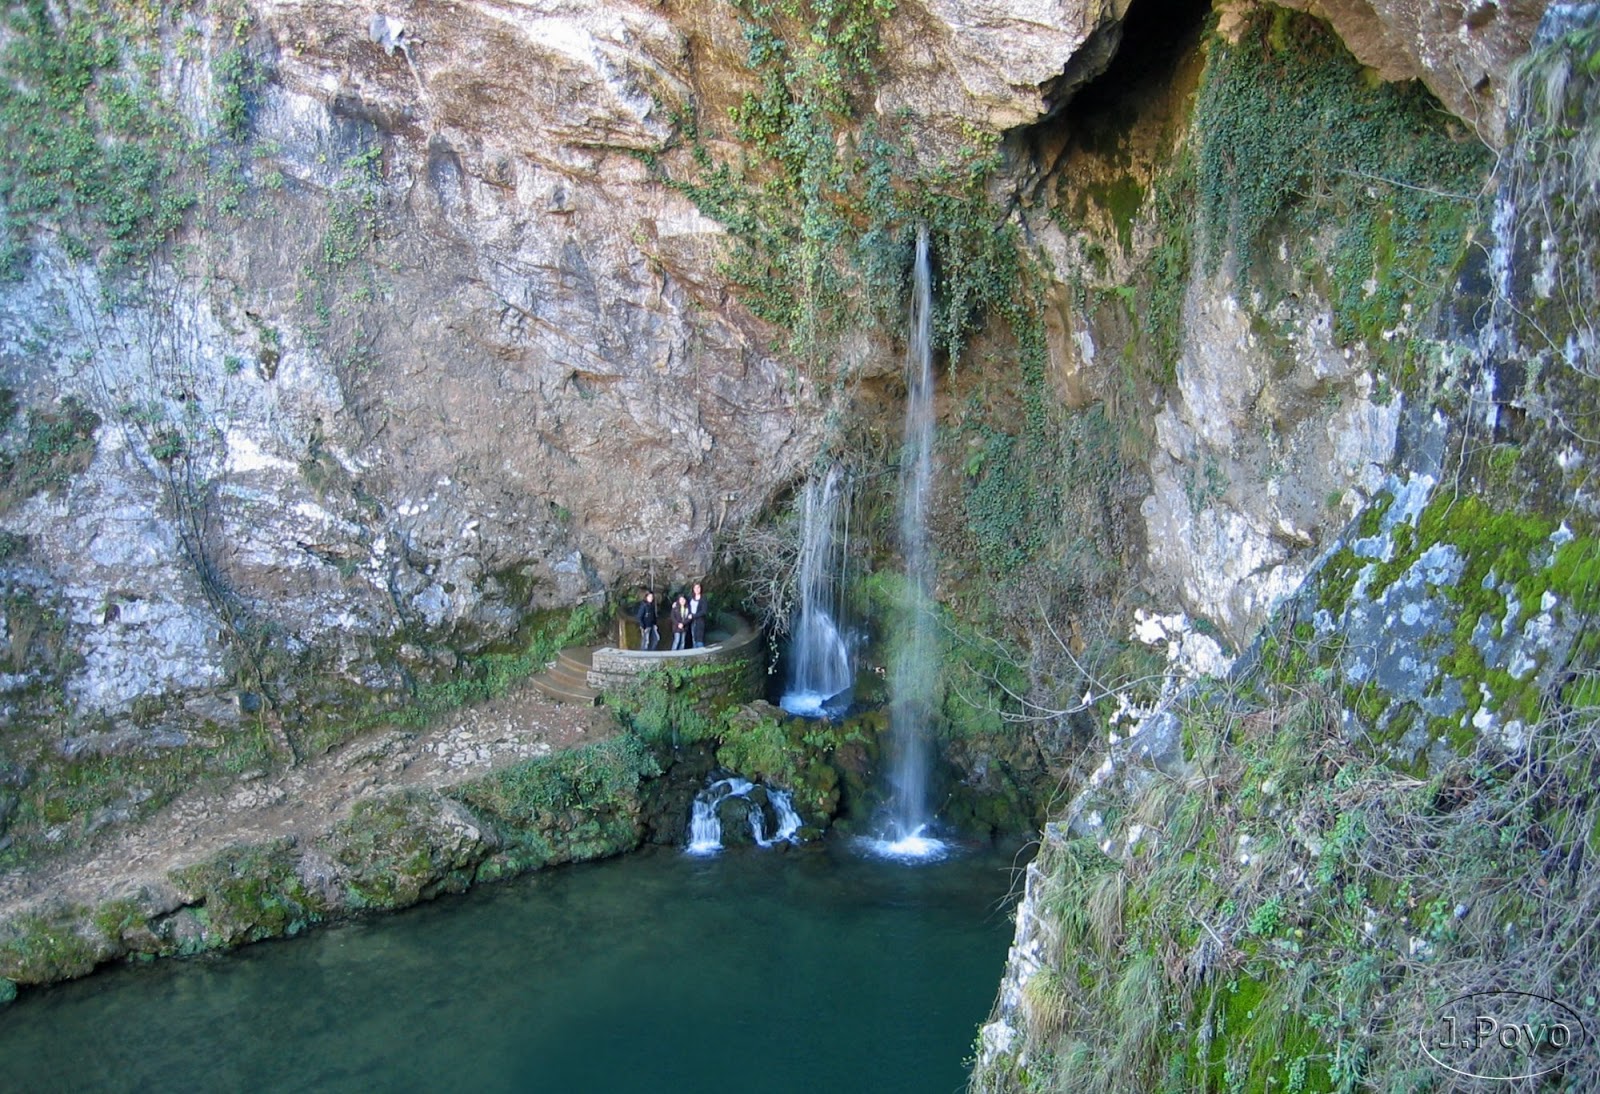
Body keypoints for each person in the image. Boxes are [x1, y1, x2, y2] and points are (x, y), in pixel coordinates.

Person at [687, 582, 707, 649]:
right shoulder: (690, 597)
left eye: (698, 587)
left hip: (700, 620)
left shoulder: (703, 598)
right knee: (693, 637)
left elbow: (704, 611)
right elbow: (683, 602)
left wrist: (694, 615)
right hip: (691, 620)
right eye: (695, 588)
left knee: (699, 638)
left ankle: (700, 652)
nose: (697, 589)